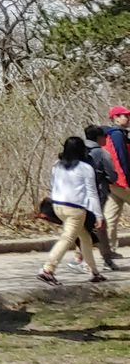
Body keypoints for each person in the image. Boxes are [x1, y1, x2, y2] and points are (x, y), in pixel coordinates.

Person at [38, 136, 105, 285]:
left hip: (58, 207)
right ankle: (48, 270)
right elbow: (92, 193)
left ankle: (94, 272)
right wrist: (98, 215)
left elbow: (53, 185)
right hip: (75, 209)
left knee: (85, 238)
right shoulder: (85, 168)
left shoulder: (57, 165)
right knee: (67, 238)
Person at [83, 126, 120, 270]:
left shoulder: (77, 151)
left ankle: (81, 259)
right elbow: (112, 175)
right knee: (100, 225)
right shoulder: (102, 153)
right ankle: (107, 259)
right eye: (104, 137)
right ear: (99, 138)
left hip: (77, 195)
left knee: (83, 226)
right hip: (97, 193)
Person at [99, 106, 130, 255]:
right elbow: (121, 159)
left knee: (110, 217)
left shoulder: (110, 135)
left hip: (112, 183)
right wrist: (126, 181)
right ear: (115, 118)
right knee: (110, 217)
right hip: (121, 182)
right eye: (124, 116)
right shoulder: (117, 134)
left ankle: (108, 252)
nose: (127, 118)